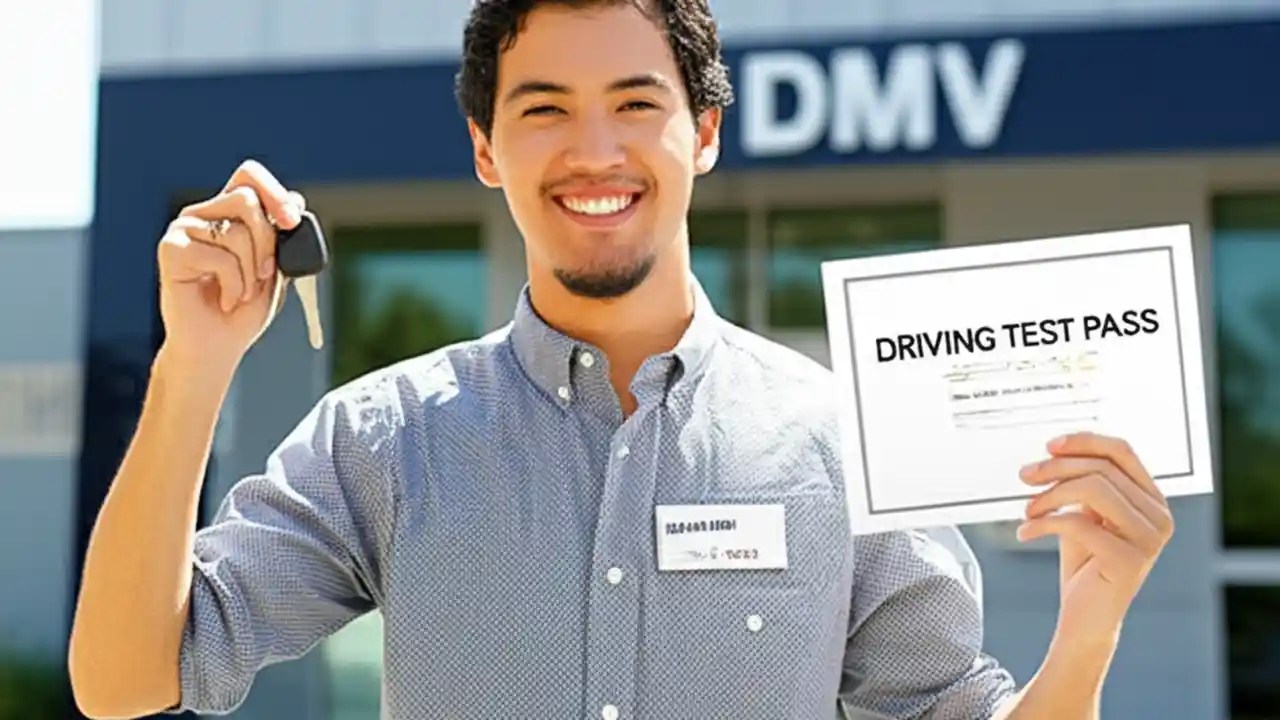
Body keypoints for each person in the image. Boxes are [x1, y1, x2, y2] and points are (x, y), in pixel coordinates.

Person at [67, 1, 1176, 718]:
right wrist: (191, 370)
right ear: (485, 150)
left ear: (701, 132)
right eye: (544, 109)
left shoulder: (836, 440)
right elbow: (123, 682)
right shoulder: (384, 441)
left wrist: (1088, 629)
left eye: (635, 104)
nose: (592, 151)